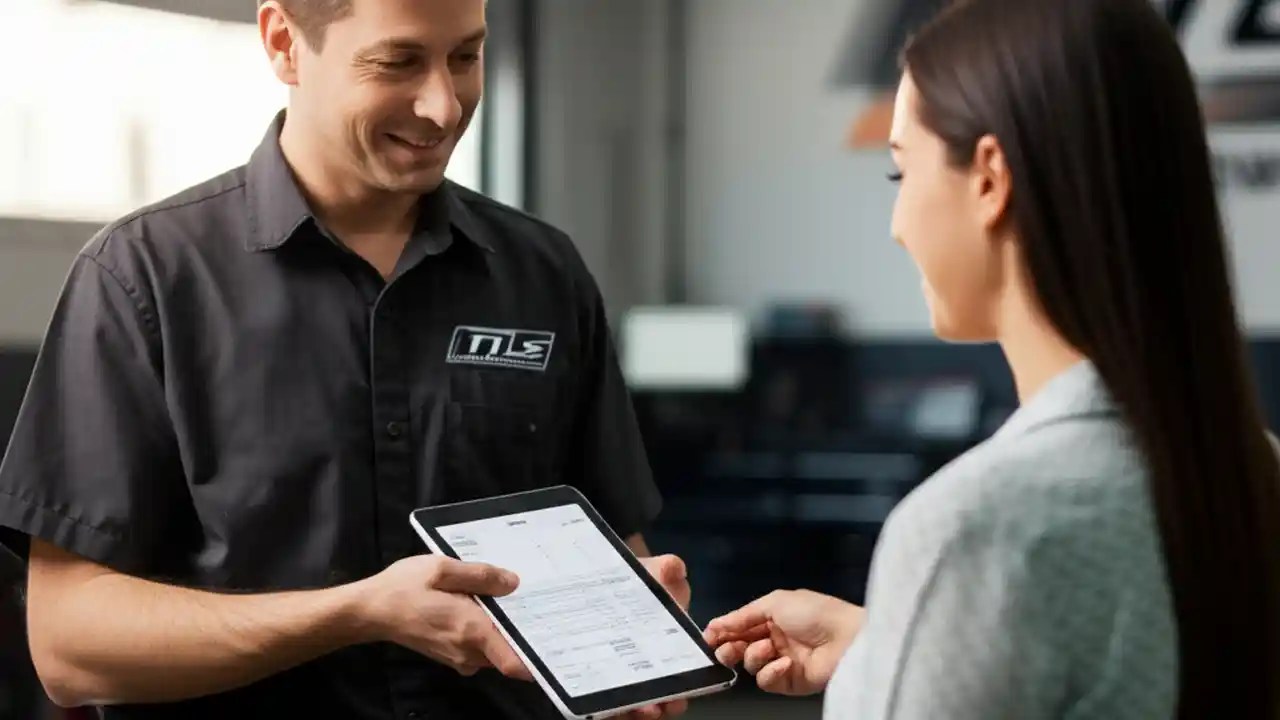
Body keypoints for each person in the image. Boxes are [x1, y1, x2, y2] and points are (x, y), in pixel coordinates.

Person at [0, 1, 690, 718]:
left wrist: (641, 644)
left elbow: (614, 540)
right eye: (397, 63)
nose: (444, 106)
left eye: (465, 57)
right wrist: (357, 612)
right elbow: (69, 645)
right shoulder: (143, 280)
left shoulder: (545, 274)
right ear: (283, 43)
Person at [703, 0, 1280, 718]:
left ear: (988, 177)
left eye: (900, 174)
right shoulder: (1255, 472)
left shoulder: (976, 525)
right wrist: (896, 647)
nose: (897, 226)